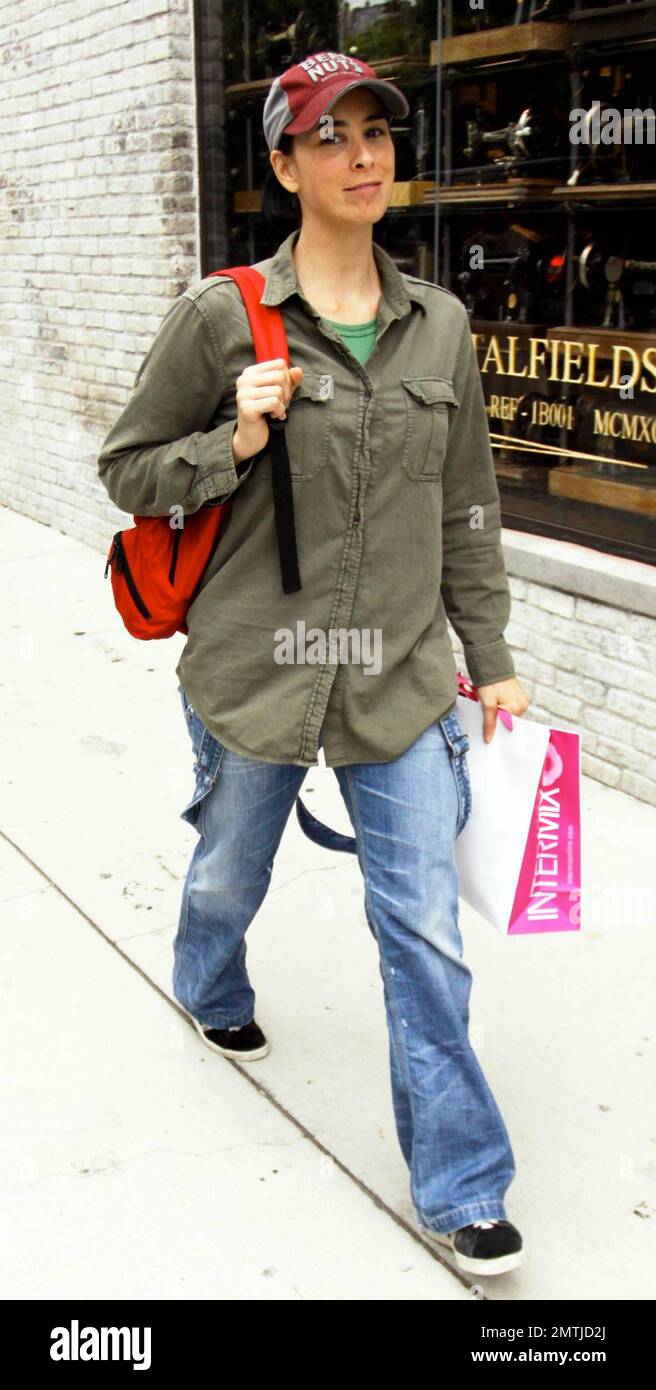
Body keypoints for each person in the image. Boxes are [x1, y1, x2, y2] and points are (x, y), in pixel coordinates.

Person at [97, 50, 531, 1278]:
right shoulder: (221, 315)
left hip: (395, 683)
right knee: (232, 866)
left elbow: (465, 510)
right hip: (259, 667)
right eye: (328, 136)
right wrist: (232, 436)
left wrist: (488, 656)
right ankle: (206, 971)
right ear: (283, 165)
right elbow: (129, 467)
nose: (361, 155)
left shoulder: (438, 325)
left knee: (423, 933)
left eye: (376, 132)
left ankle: (459, 1182)